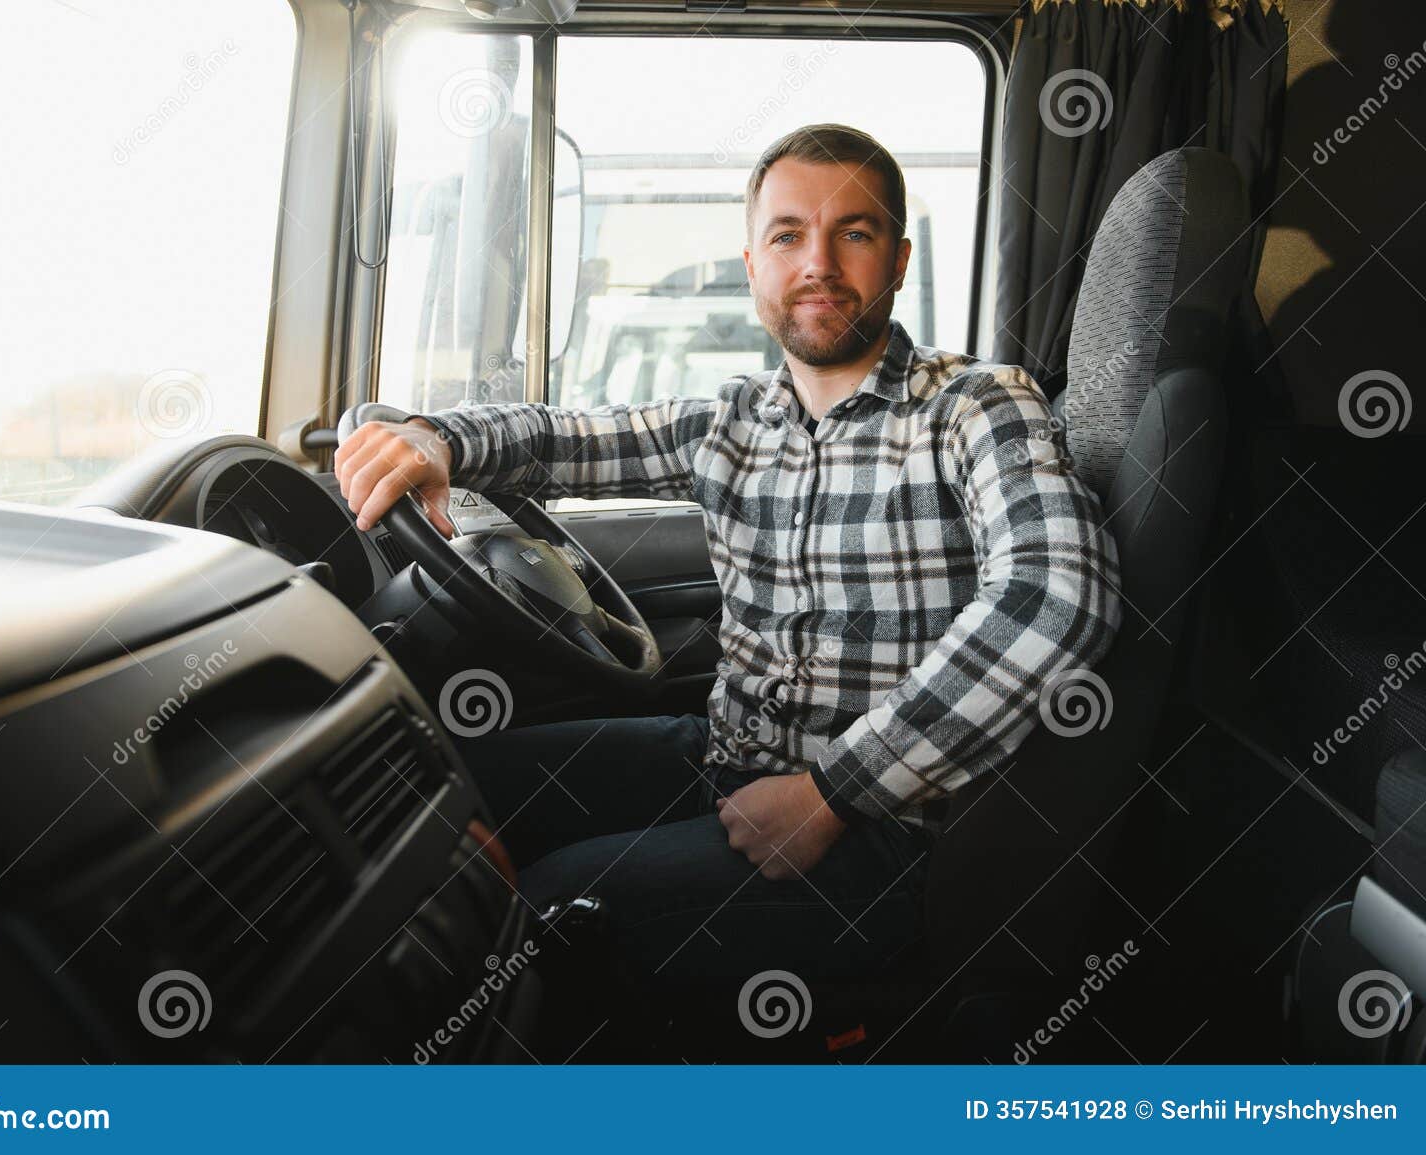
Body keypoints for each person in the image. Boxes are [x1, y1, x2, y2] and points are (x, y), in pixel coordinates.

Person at [335, 124, 1121, 992]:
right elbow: (562, 438)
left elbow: (1057, 593)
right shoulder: (733, 422)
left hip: (884, 824)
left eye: (852, 233)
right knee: (438, 785)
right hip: (721, 756)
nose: (818, 262)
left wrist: (835, 790)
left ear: (897, 261)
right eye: (788, 235)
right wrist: (434, 437)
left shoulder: (975, 403)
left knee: (549, 907)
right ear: (753, 267)